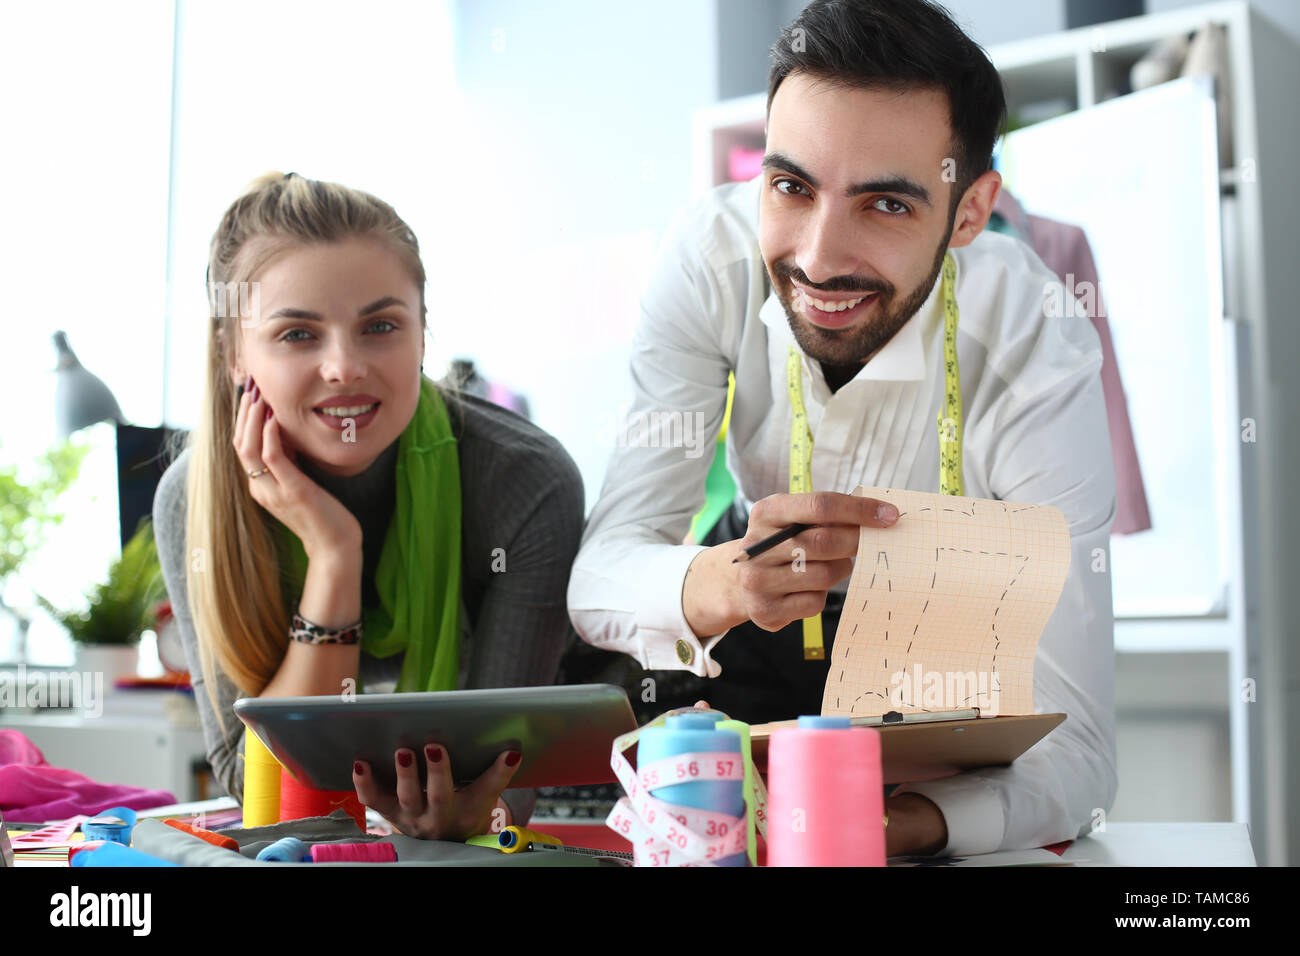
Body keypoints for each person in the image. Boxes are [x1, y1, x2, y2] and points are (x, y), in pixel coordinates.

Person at [568, 0, 1117, 858]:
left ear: (970, 211)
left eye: (886, 205)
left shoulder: (1033, 337)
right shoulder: (711, 260)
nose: (820, 258)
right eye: (792, 187)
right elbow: (599, 576)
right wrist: (722, 584)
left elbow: (1080, 755)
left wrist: (884, 824)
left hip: (950, 649)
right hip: (754, 616)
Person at [154, 171, 584, 840]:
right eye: (298, 334)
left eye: (380, 325)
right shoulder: (193, 501)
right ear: (234, 353)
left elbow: (501, 792)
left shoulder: (526, 484)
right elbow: (258, 780)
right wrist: (334, 556)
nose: (345, 367)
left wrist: (473, 809)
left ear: (422, 333)